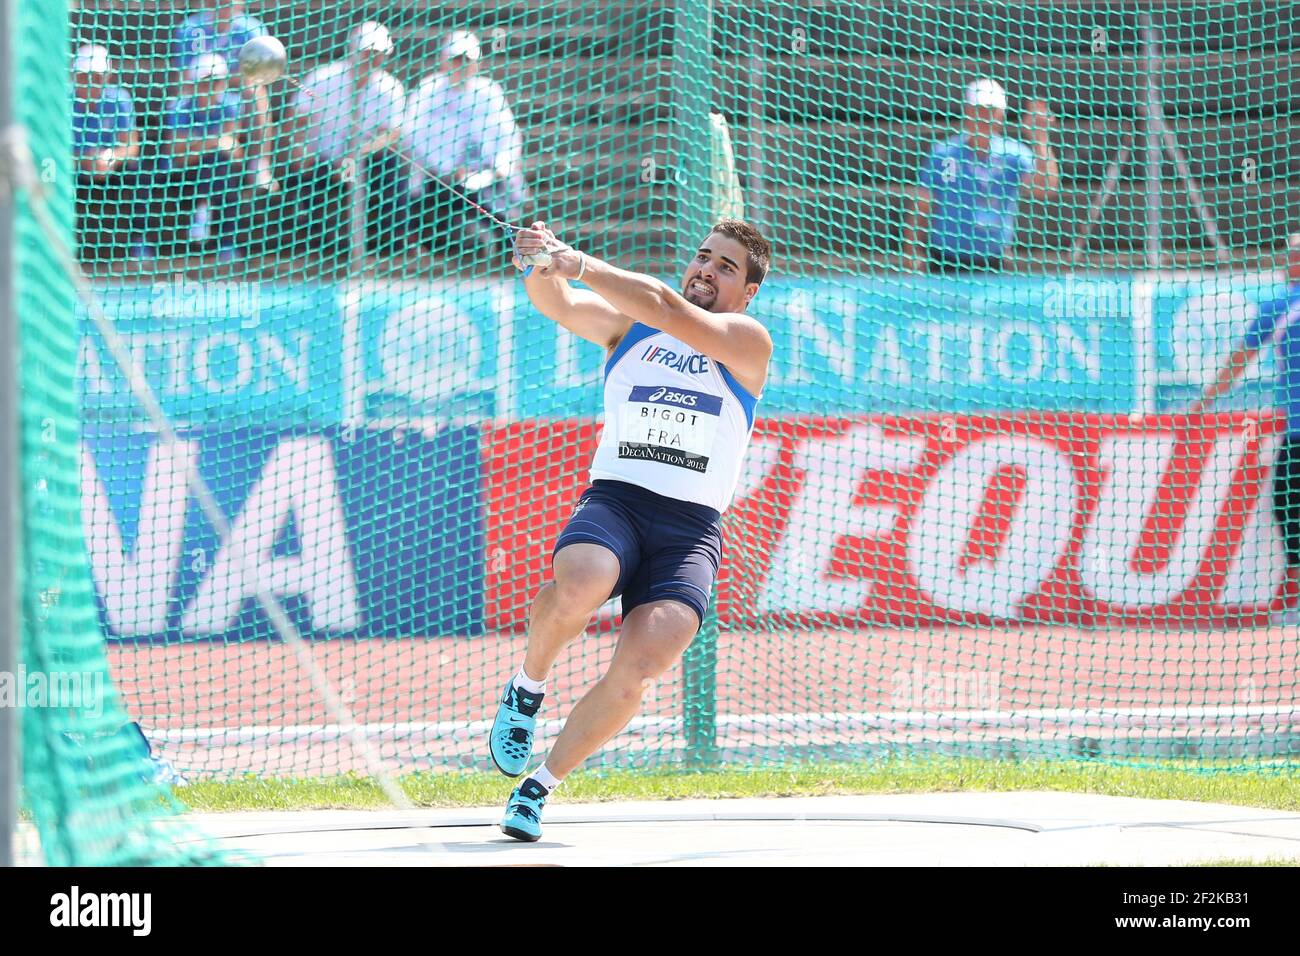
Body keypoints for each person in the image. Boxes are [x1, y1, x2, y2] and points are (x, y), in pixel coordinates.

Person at [490, 218, 773, 841]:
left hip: (690, 527)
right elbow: (557, 302)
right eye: (703, 256)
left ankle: (539, 786)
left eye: (726, 266)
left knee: (650, 656)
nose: (707, 268)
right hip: (619, 498)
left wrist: (577, 261)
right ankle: (527, 687)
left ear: (747, 292)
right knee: (583, 580)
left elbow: (665, 306)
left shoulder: (746, 341)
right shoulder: (631, 329)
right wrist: (539, 262)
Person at [1193, 232, 1300, 625]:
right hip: (1295, 429)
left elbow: (1239, 361)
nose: (1285, 259)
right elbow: (1241, 359)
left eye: (1292, 254)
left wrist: (1204, 403)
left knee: (1290, 510)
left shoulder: (1283, 305)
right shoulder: (1279, 305)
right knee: (1288, 509)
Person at [903, 79, 1060, 274]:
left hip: (993, 261)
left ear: (1001, 114)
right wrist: (911, 249)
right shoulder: (945, 154)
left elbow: (1046, 188)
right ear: (967, 110)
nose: (984, 117)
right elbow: (923, 204)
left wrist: (1040, 139)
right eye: (979, 109)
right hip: (946, 260)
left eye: (991, 110)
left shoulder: (1014, 155)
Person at [283, 20, 407, 258]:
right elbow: (297, 119)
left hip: (366, 159)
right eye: (368, 52)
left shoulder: (389, 87)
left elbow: (390, 134)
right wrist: (301, 150)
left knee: (393, 167)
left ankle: (390, 243)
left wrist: (356, 155)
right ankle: (317, 244)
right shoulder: (323, 78)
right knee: (308, 176)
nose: (372, 59)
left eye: (378, 54)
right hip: (322, 158)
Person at [402, 30, 526, 260]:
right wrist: (448, 168)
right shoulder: (428, 90)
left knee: (510, 190)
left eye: (467, 60)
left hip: (486, 175)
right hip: (440, 178)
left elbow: (509, 135)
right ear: (444, 60)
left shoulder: (489, 91)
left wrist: (499, 166)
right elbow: (414, 135)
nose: (461, 65)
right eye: (456, 59)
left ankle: (505, 245)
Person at [173, 0, 276, 191]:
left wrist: (222, 81)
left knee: (257, 93)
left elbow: (256, 74)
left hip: (235, 91)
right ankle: (183, 156)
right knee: (182, 99)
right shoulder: (191, 28)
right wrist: (209, 83)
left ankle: (259, 164)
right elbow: (185, 76)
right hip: (199, 89)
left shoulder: (251, 29)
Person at [151, 53, 245, 261]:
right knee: (215, 161)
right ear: (194, 84)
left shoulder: (231, 104)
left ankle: (219, 233)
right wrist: (213, 141)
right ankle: (204, 211)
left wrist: (201, 144)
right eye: (205, 82)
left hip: (218, 175)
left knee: (220, 165)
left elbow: (234, 151)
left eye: (217, 81)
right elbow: (179, 154)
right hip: (180, 177)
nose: (211, 88)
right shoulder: (178, 107)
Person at [70, 44, 145, 258]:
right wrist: (83, 160)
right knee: (49, 171)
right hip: (73, 170)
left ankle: (139, 241)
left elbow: (132, 146)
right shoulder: (63, 101)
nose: (91, 83)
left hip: (111, 169)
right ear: (74, 76)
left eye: (97, 76)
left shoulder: (120, 99)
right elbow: (52, 148)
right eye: (85, 76)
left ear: (108, 76)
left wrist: (113, 157)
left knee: (140, 173)